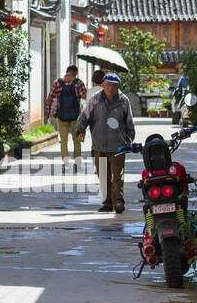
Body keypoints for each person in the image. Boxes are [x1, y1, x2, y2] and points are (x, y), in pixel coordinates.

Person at [75, 72, 135, 214]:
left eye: (114, 86)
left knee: (117, 175)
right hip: (99, 144)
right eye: (107, 85)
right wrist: (80, 130)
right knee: (103, 175)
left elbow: (129, 122)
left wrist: (129, 138)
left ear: (118, 86)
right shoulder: (95, 100)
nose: (110, 88)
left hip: (118, 144)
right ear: (103, 84)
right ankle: (108, 202)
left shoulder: (123, 100)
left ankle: (118, 201)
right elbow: (84, 117)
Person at [45, 65, 87, 171]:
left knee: (63, 141)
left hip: (62, 116)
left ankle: (66, 163)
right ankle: (77, 163)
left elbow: (49, 99)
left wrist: (51, 111)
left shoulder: (57, 83)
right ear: (75, 73)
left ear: (66, 72)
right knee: (76, 140)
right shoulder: (79, 83)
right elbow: (85, 96)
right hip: (75, 116)